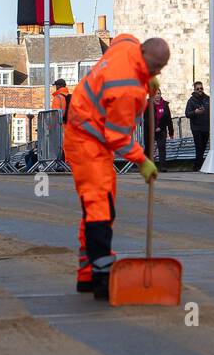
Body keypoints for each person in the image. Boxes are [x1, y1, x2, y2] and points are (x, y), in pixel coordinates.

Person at [63, 33, 168, 301]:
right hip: (88, 141)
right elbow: (117, 137)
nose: (156, 73)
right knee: (99, 207)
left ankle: (86, 274)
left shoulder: (128, 47)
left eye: (158, 70)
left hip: (88, 135)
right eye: (154, 68)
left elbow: (122, 38)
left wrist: (147, 78)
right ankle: (102, 277)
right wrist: (142, 160)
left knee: (97, 206)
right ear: (144, 56)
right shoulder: (128, 89)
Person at [185, 80, 211, 172]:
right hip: (196, 127)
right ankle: (198, 166)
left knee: (203, 147)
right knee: (199, 146)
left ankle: (197, 164)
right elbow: (187, 113)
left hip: (206, 126)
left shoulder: (207, 98)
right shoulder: (191, 101)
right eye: (198, 89)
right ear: (195, 90)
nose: (200, 90)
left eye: (201, 88)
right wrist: (195, 112)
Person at [147, 82, 173, 172]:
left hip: (162, 130)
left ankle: (163, 166)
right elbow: (146, 119)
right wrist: (154, 128)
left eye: (158, 93)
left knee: (162, 148)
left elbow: (169, 119)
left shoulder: (165, 105)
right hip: (150, 130)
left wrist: (171, 132)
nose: (157, 96)